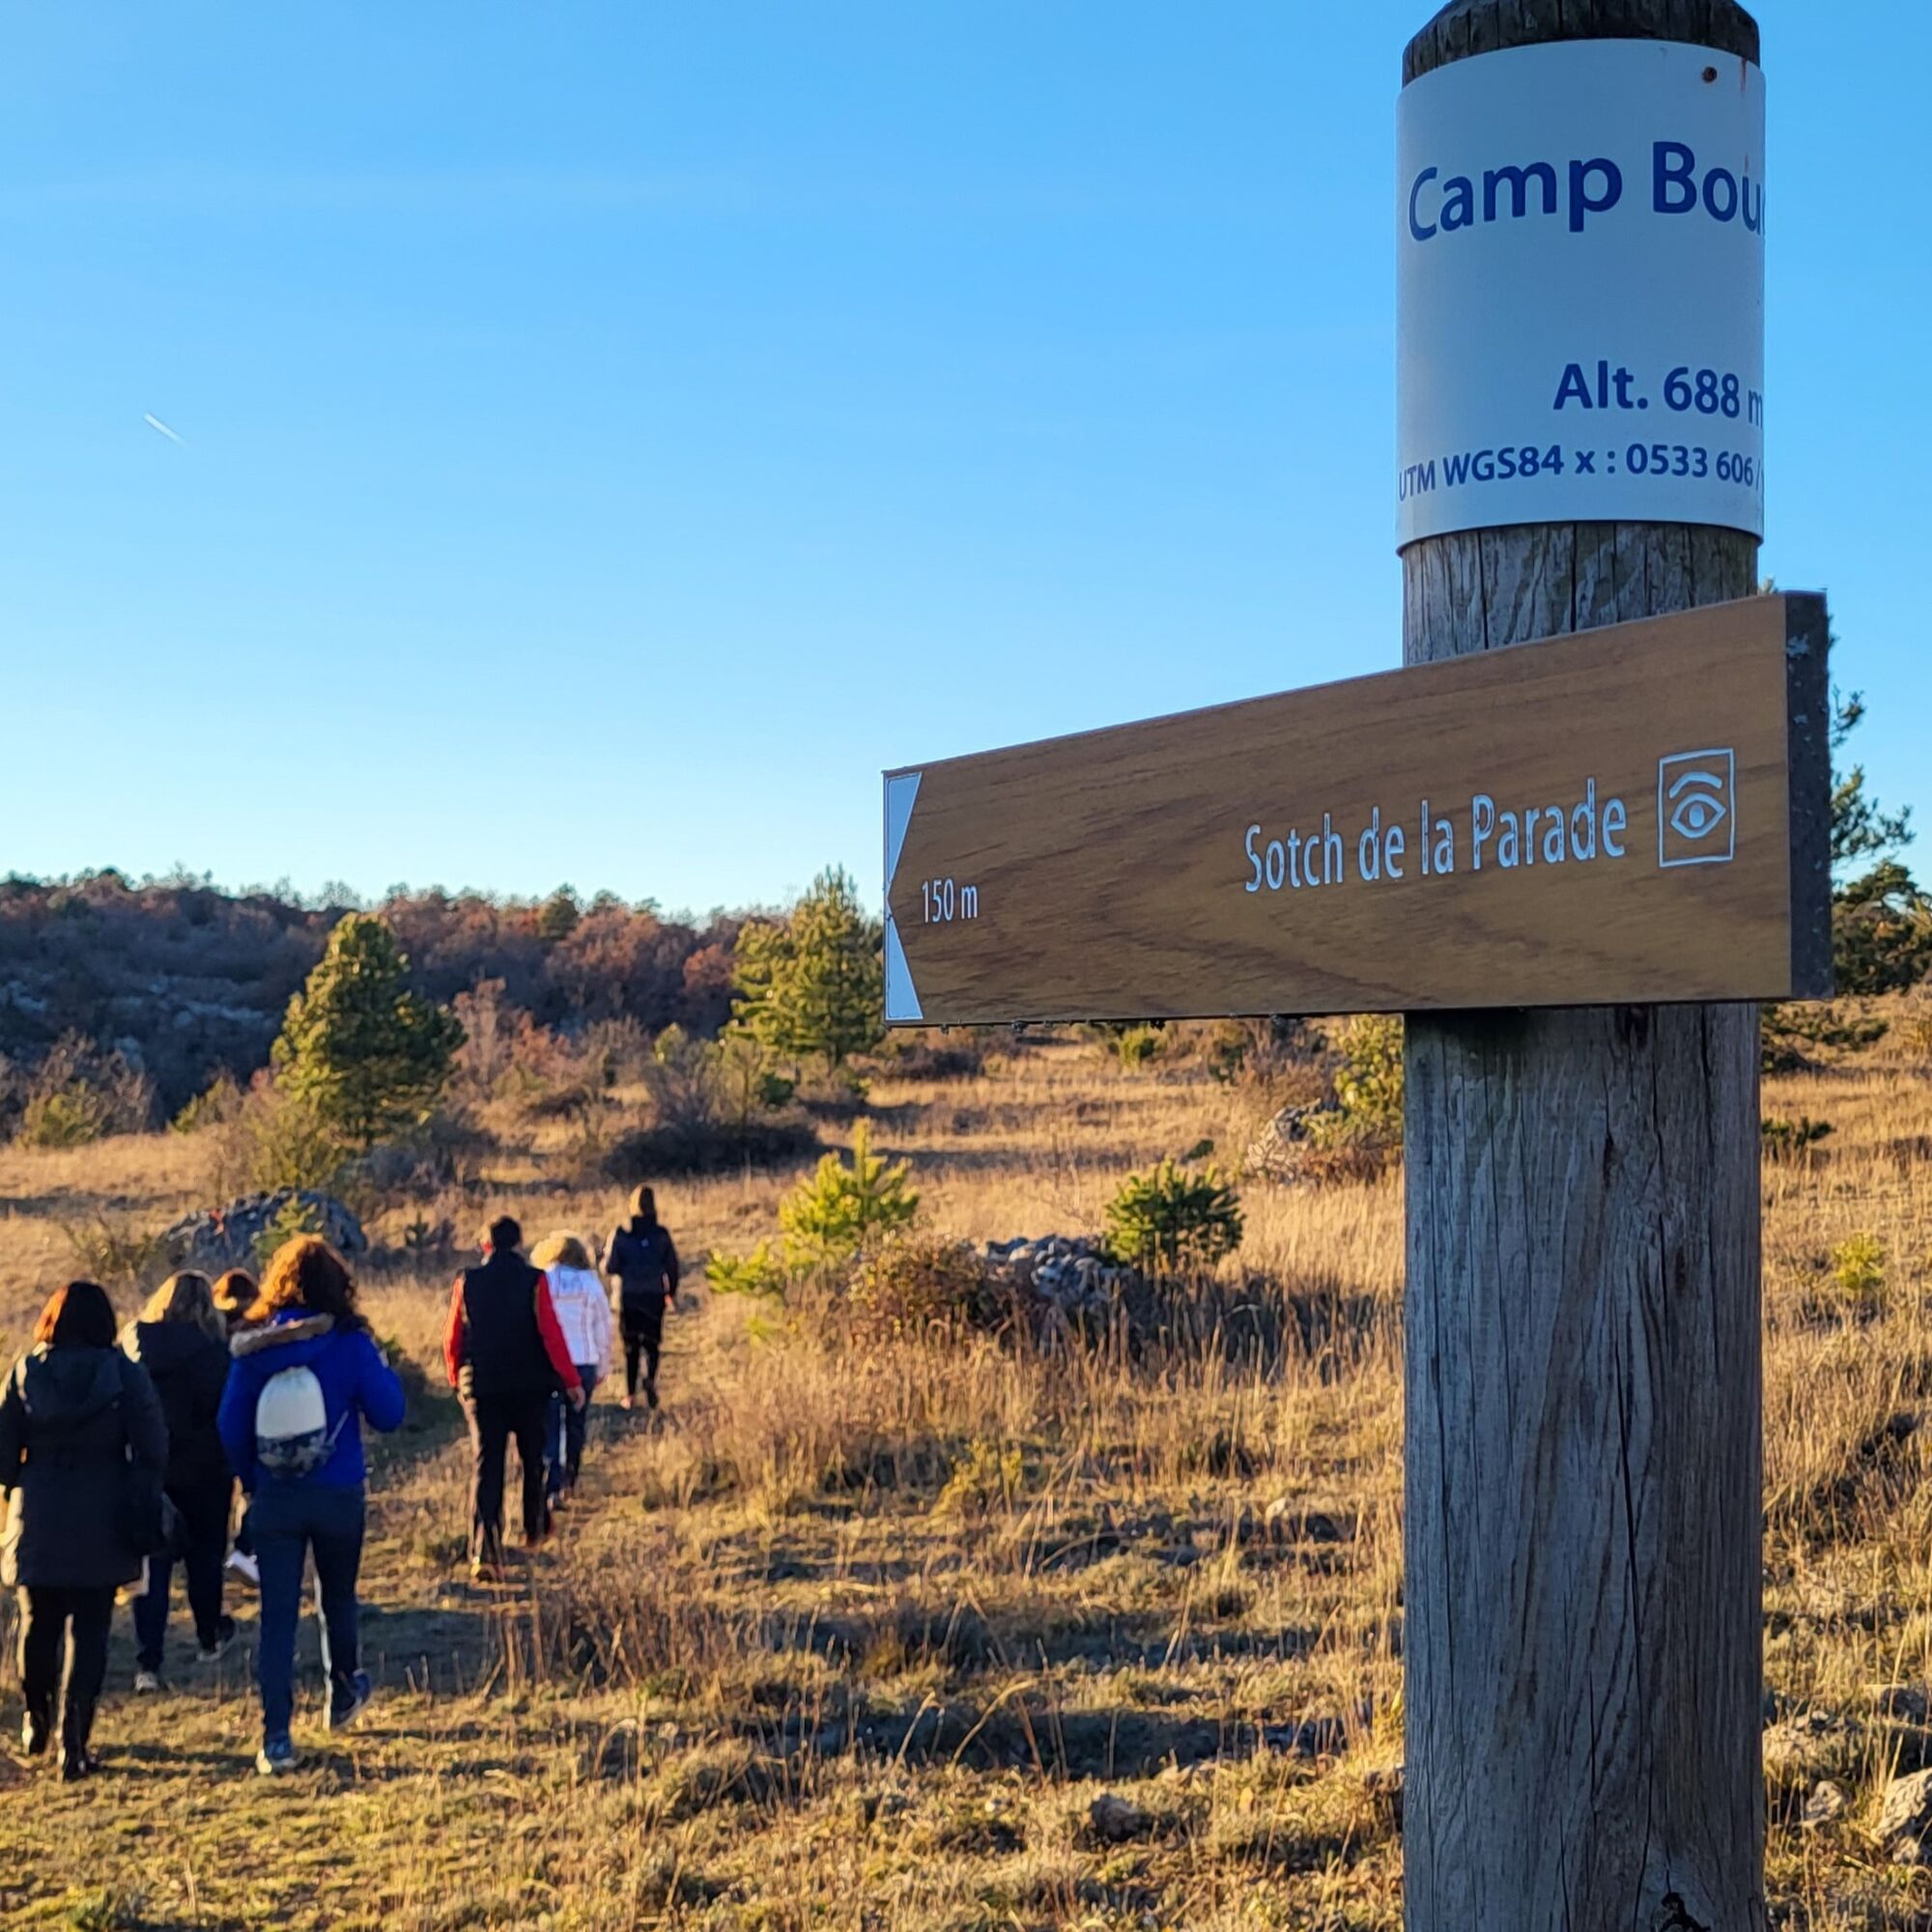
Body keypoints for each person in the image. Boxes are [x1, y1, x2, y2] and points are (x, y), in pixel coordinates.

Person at [218, 1236, 405, 1776]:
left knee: (276, 1616)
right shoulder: (350, 1342)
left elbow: (229, 1426)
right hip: (339, 1490)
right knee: (337, 1598)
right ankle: (342, 1691)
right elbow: (390, 1413)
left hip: (275, 1497)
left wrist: (255, 1481)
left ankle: (276, 1737)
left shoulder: (254, 1348)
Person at [1, 1281, 168, 1781]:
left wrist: (20, 1484)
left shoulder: (25, 1372)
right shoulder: (123, 1374)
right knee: (90, 1633)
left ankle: (35, 1715)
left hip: (39, 1513)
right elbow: (154, 1445)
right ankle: (73, 1745)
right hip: (104, 1514)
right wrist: (139, 1486)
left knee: (36, 1622)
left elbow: (3, 1455)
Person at [445, 1216, 582, 1581]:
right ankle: (533, 1532)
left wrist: (456, 1379)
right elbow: (551, 1335)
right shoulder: (534, 1281)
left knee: (486, 1467)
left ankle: (485, 1552)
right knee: (532, 1459)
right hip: (529, 1386)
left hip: (483, 1387)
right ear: (519, 1244)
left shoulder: (466, 1282)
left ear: (485, 1245)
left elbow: (453, 1339)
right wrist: (570, 1380)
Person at [122, 1271, 237, 1690]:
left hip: (150, 1471)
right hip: (207, 1471)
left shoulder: (135, 1348)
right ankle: (209, 1636)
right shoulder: (217, 1355)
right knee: (205, 1559)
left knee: (152, 1568)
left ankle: (147, 1663)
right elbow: (227, 1415)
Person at [528, 1234, 612, 1508]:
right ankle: (570, 1481)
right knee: (576, 1425)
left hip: (549, 1364)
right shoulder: (591, 1283)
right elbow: (603, 1327)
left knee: (550, 1425)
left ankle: (550, 1486)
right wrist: (603, 1365)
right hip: (584, 1361)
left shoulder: (542, 1280)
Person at [602, 1186, 680, 1410]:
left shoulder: (621, 1233)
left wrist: (603, 1258)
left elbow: (610, 1266)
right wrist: (670, 1292)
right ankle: (650, 1380)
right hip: (654, 1295)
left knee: (631, 1347)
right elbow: (672, 1266)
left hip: (629, 1296)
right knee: (653, 1343)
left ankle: (629, 1395)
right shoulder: (661, 1234)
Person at [211, 1269, 262, 1585]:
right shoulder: (259, 1330)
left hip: (209, 1427)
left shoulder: (210, 1332)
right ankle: (244, 1549)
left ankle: (220, 1554)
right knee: (251, 1491)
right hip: (251, 1422)